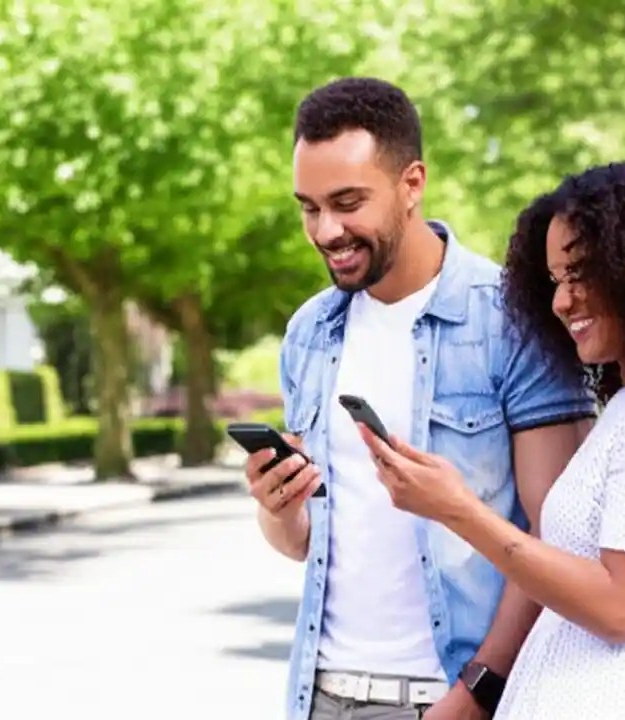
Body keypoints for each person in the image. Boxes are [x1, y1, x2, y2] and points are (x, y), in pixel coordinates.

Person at [355, 162, 625, 719]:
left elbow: (619, 607)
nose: (563, 302)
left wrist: (459, 510)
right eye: (557, 281)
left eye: (582, 274)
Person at [242, 77, 596, 720]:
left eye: (348, 202)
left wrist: (476, 694)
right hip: (321, 695)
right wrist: (278, 510)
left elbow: (559, 536)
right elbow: (303, 543)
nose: (326, 230)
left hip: (454, 695)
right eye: (309, 207)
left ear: (412, 183)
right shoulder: (309, 334)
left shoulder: (511, 320)